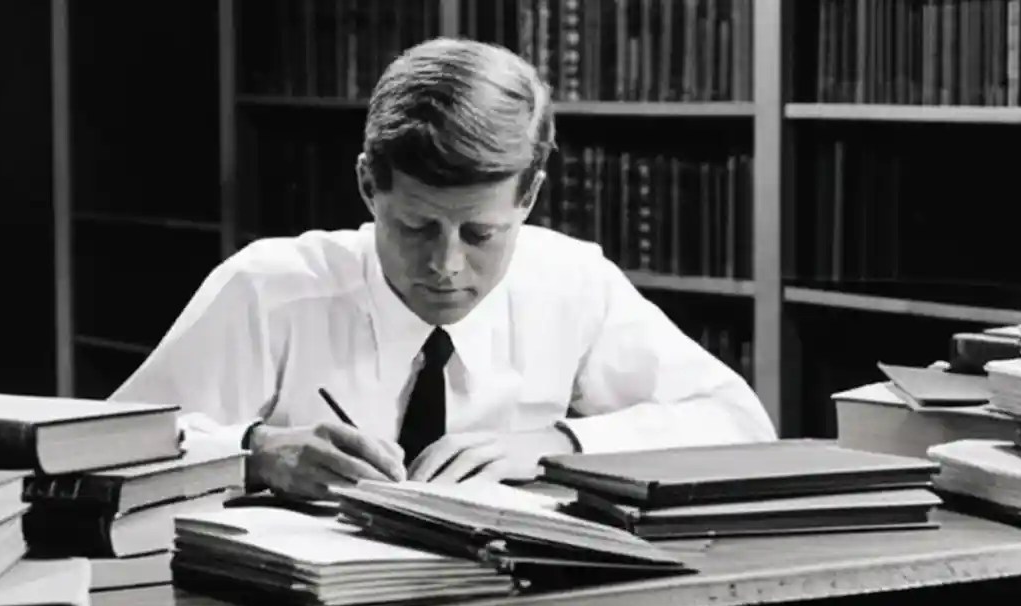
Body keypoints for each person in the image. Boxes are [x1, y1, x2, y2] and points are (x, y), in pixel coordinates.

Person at [110, 37, 776, 501]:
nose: (447, 266)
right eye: (416, 226)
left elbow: (738, 423)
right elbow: (101, 449)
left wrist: (558, 442)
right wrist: (254, 452)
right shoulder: (270, 286)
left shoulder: (571, 282)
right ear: (370, 186)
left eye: (481, 233)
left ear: (530, 197)